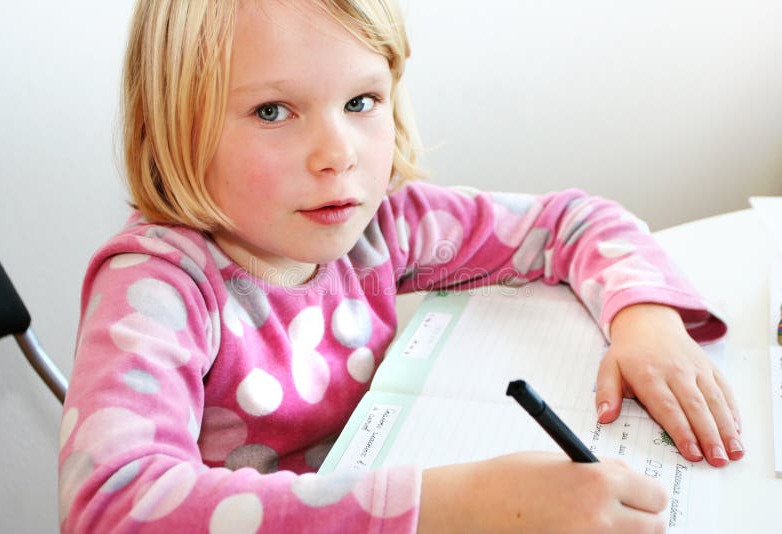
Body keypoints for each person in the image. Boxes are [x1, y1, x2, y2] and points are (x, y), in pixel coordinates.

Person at [58, 0, 743, 532]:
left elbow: (571, 221)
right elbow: (111, 507)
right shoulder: (155, 285)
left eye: (362, 102)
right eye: (273, 110)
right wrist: (454, 508)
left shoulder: (379, 225)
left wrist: (644, 319)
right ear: (177, 121)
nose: (338, 154)